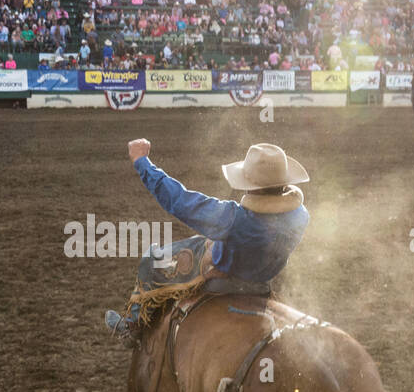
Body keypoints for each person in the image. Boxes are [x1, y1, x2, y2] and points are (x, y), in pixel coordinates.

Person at [105, 140, 310, 345]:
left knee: (152, 259)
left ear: (250, 185)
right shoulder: (300, 216)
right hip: (262, 279)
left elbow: (180, 200)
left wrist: (142, 162)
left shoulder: (234, 219)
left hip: (227, 277)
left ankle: (131, 327)